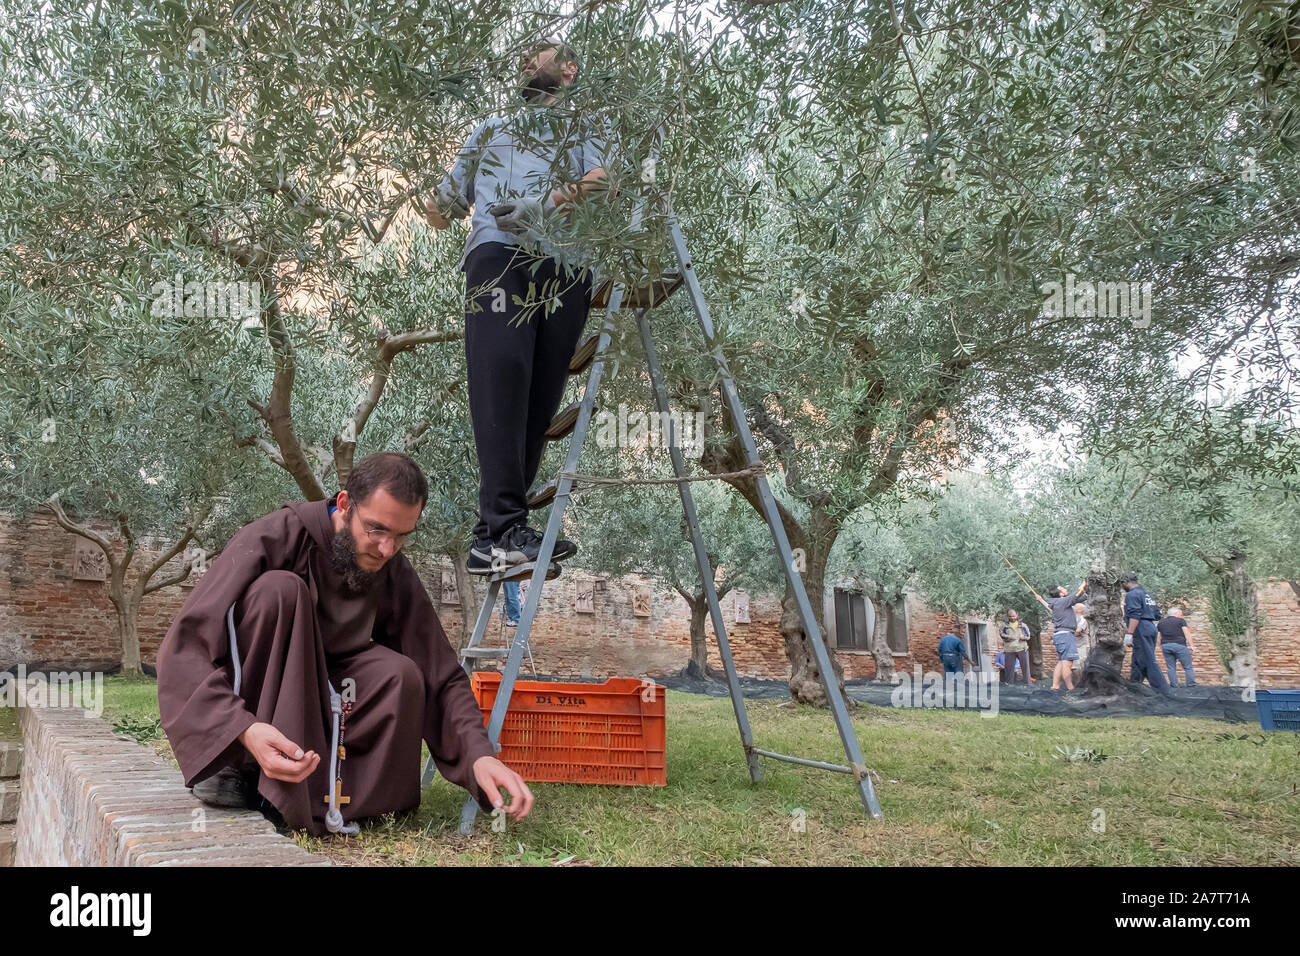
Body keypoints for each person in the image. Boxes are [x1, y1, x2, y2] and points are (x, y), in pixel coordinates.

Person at [156, 452, 534, 836]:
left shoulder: (389, 566)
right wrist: (242, 729)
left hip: (329, 698)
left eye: (401, 536)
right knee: (280, 591)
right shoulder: (274, 536)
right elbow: (187, 647)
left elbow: (440, 671)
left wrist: (479, 756)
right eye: (376, 530)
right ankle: (242, 771)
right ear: (344, 504)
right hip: (256, 714)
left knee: (399, 673)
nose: (387, 549)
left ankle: (332, 798)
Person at [417, 37, 610, 575]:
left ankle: (494, 537)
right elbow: (441, 210)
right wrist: (413, 194)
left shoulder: (584, 127)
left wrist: (543, 202)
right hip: (498, 256)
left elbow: (602, 181)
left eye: (541, 52)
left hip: (566, 265)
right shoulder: (489, 131)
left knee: (540, 396)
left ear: (570, 69)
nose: (527, 59)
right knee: (502, 372)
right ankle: (503, 528)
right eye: (524, 54)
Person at [1120, 572, 1171, 694]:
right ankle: (1134, 686)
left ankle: (1162, 691)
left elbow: (1135, 614)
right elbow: (1157, 614)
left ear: (1125, 582)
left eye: (1122, 584)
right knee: (1139, 658)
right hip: (1150, 627)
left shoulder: (1132, 594)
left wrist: (1129, 633)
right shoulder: (1147, 594)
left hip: (1140, 627)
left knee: (1147, 659)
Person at [1036, 583, 1086, 691]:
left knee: (1061, 662)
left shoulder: (1056, 603)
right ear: (1060, 594)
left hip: (1060, 635)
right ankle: (1070, 689)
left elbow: (1080, 597)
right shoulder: (1063, 601)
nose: (1064, 589)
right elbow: (1076, 594)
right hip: (1066, 635)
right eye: (1062, 589)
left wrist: (1040, 600)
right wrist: (1085, 583)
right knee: (1067, 663)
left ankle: (1055, 686)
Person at [1158, 604, 1197, 687]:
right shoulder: (1180, 621)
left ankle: (1174, 685)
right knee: (1188, 667)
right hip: (1179, 646)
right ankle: (1191, 685)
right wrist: (1192, 646)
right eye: (1181, 614)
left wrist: (1160, 646)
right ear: (1176, 614)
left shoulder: (1161, 622)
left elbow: (1159, 636)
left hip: (1166, 646)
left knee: (1171, 667)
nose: (1181, 616)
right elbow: (1187, 633)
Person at [998, 609, 1032, 685]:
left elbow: (1028, 636)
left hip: (1022, 648)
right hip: (1009, 649)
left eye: (1013, 616)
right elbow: (1002, 635)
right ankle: (1009, 685)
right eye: (1010, 616)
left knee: (1025, 668)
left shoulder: (1023, 625)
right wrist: (1010, 637)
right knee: (1009, 669)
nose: (1012, 618)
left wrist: (1023, 637)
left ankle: (1028, 684)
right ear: (1008, 616)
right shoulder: (1004, 626)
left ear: (1017, 615)